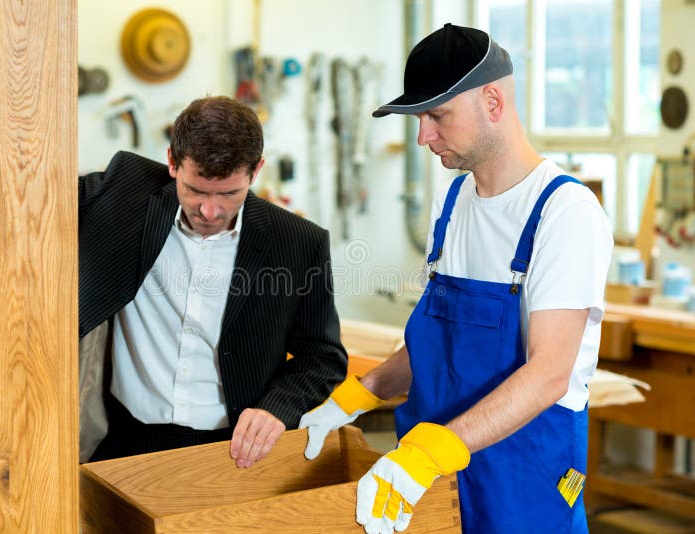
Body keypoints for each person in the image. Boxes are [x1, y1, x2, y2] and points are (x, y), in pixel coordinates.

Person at [299, 23, 613, 533]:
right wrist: (357, 396)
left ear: (493, 102)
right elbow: (438, 348)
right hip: (438, 468)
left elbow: (550, 371)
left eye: (436, 115)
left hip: (524, 473)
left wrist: (428, 453)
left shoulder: (563, 212)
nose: (423, 136)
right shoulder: (450, 205)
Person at [79, 96, 347, 467]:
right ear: (172, 162)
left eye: (228, 194)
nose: (209, 211)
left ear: (256, 172)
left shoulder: (299, 242)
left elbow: (322, 357)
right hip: (122, 437)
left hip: (233, 449)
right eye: (195, 190)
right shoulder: (126, 189)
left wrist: (276, 410)